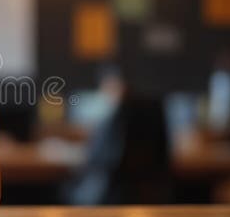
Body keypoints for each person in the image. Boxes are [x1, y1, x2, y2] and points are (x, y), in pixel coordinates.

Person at [65, 65, 171, 205]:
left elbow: (93, 157)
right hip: (152, 195)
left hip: (106, 194)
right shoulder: (150, 111)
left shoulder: (116, 118)